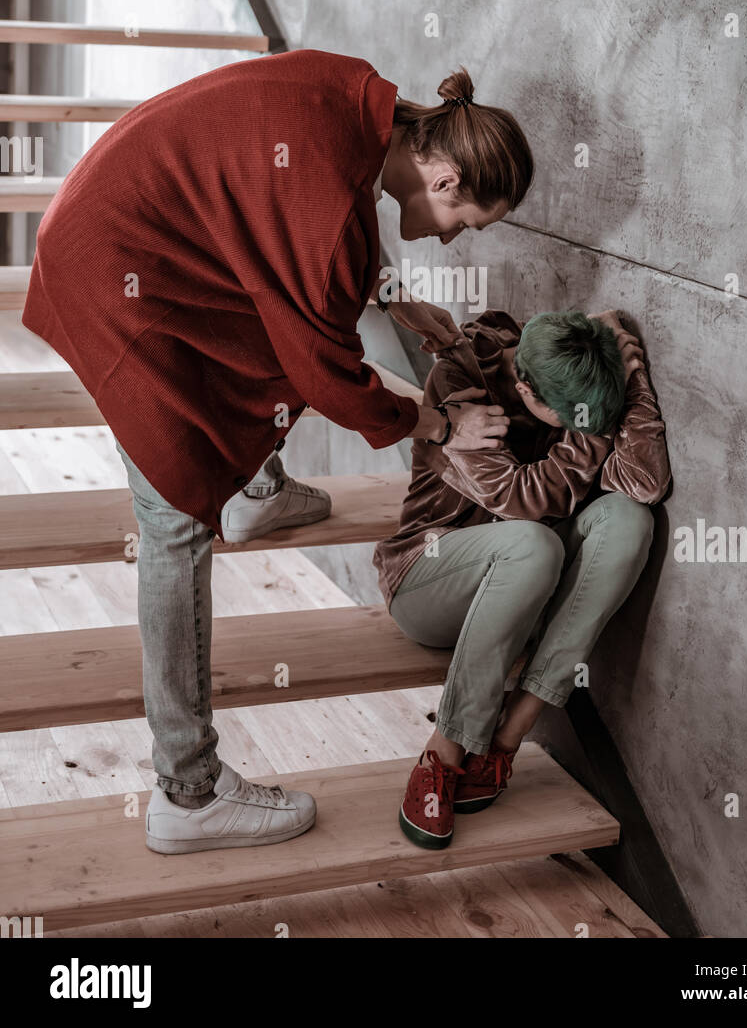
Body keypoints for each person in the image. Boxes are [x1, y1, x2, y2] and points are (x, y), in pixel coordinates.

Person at [21, 48, 533, 854]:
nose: (452, 239)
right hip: (114, 265)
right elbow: (327, 373)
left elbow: (284, 229)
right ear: (444, 181)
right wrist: (440, 426)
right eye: (466, 223)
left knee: (270, 314)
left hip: (126, 217)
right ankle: (187, 793)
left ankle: (257, 493)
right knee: (175, 519)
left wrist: (395, 299)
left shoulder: (357, 100)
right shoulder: (329, 204)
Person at [372, 306, 671, 849]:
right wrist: (597, 427)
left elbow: (645, 484)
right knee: (533, 542)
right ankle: (444, 751)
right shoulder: (459, 384)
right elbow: (520, 500)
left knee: (629, 519)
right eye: (568, 421)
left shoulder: (575, 368)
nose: (579, 427)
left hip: (528, 587)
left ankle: (511, 732)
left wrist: (632, 383)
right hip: (429, 575)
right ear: (525, 388)